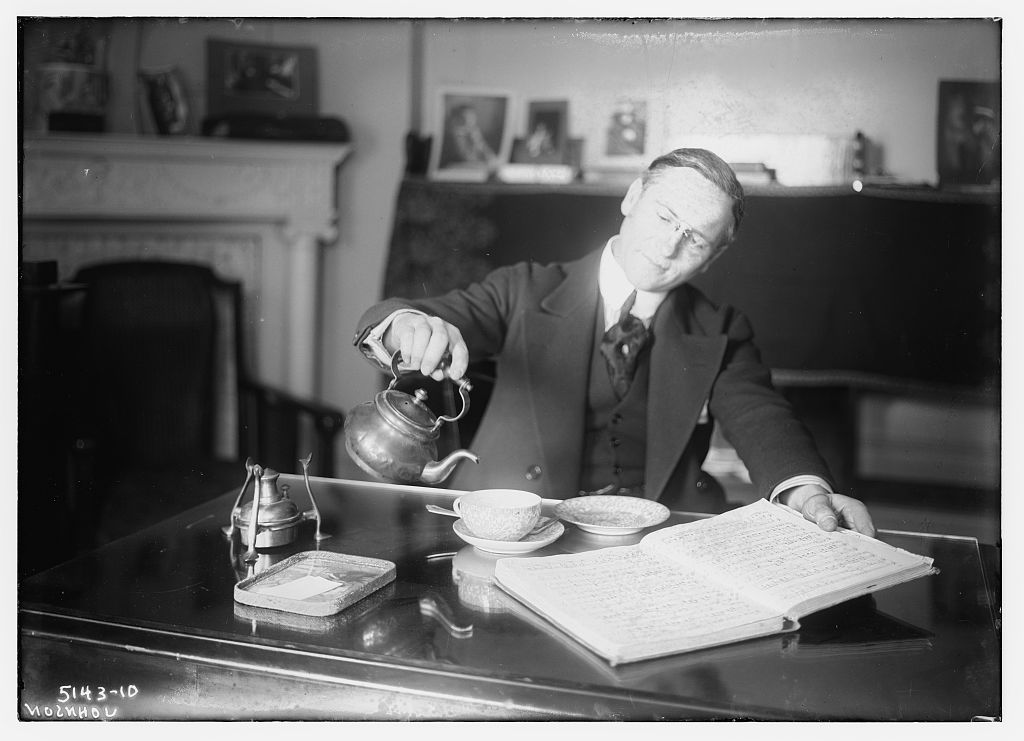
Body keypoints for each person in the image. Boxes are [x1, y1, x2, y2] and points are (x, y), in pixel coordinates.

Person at [354, 147, 875, 536]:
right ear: (631, 198)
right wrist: (407, 324)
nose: (670, 244)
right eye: (666, 216)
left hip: (655, 542)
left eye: (695, 238)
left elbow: (763, 418)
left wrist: (804, 490)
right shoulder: (524, 289)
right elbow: (435, 315)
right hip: (515, 536)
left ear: (713, 257)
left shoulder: (722, 329)